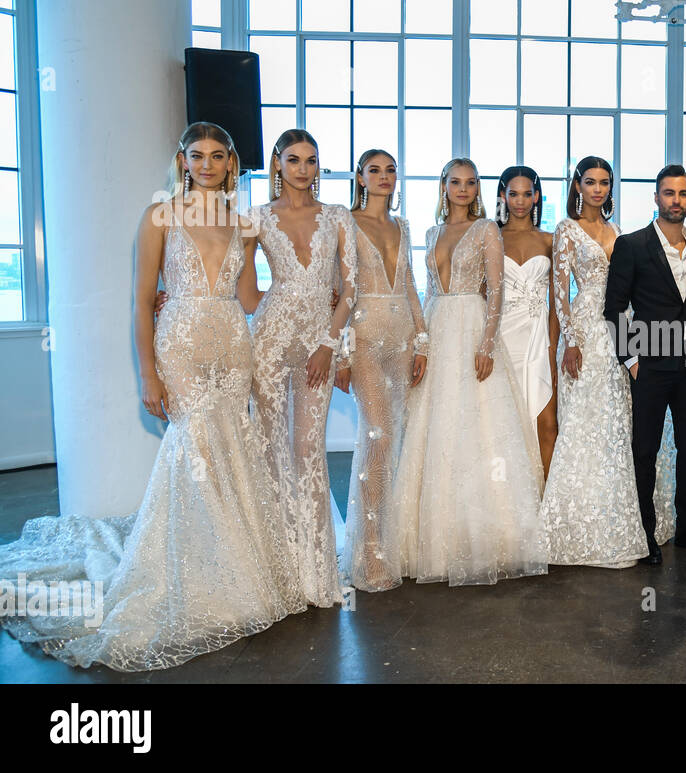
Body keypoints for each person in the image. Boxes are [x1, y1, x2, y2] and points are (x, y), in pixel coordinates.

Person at [0, 123, 306, 671]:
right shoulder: (160, 215)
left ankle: (232, 567)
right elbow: (142, 302)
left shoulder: (245, 222)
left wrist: (304, 293)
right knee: (193, 450)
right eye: (197, 156)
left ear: (232, 162)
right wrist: (148, 374)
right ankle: (191, 573)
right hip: (181, 345)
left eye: (217, 156)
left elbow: (250, 296)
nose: (207, 164)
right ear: (182, 160)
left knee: (231, 449)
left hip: (232, 342)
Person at [390, 158, 548, 586]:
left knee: (479, 429)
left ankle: (489, 537)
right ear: (443, 186)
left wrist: (486, 343)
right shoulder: (430, 233)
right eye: (455, 182)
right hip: (437, 326)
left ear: (478, 189)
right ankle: (436, 539)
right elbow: (424, 292)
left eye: (471, 183)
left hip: (473, 328)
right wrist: (420, 343)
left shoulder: (486, 230)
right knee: (436, 428)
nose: (463, 189)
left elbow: (495, 289)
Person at [249, 129, 356, 606]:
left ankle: (315, 575)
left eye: (311, 161)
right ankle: (278, 572)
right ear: (277, 163)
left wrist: (328, 345)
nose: (303, 169)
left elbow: (349, 290)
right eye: (293, 160)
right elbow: (245, 292)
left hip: (319, 344)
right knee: (270, 449)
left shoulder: (337, 217)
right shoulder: (254, 219)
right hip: (269, 339)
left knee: (308, 450)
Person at [604, 164, 686, 564]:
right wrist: (632, 360)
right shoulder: (632, 244)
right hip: (649, 361)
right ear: (656, 198)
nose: (676, 200)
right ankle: (646, 536)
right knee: (646, 451)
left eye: (684, 193)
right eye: (669, 193)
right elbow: (615, 308)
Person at [539, 156, 647, 568]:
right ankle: (575, 524)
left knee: (617, 420)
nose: (598, 189)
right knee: (583, 421)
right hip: (584, 328)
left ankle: (617, 519)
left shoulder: (617, 230)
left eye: (604, 182)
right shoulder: (566, 230)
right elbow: (559, 291)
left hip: (620, 324)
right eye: (590, 182)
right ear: (577, 186)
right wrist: (570, 340)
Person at [335, 149, 428, 592]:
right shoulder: (344, 221)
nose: (385, 177)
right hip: (365, 336)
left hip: (403, 336)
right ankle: (368, 551)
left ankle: (393, 543)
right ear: (360, 177)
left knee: (397, 439)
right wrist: (340, 352)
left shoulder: (403, 224)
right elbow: (334, 288)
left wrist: (423, 339)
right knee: (377, 434)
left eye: (391, 170)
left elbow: (408, 282)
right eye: (375, 170)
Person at [496, 165, 559, 477]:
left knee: (547, 424)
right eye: (513, 193)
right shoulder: (490, 237)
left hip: (537, 340)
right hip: (502, 340)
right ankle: (508, 505)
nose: (520, 201)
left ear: (536, 197)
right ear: (503, 196)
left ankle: (546, 505)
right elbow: (484, 297)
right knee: (502, 425)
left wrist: (552, 348)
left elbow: (556, 303)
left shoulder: (550, 239)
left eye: (527, 193)